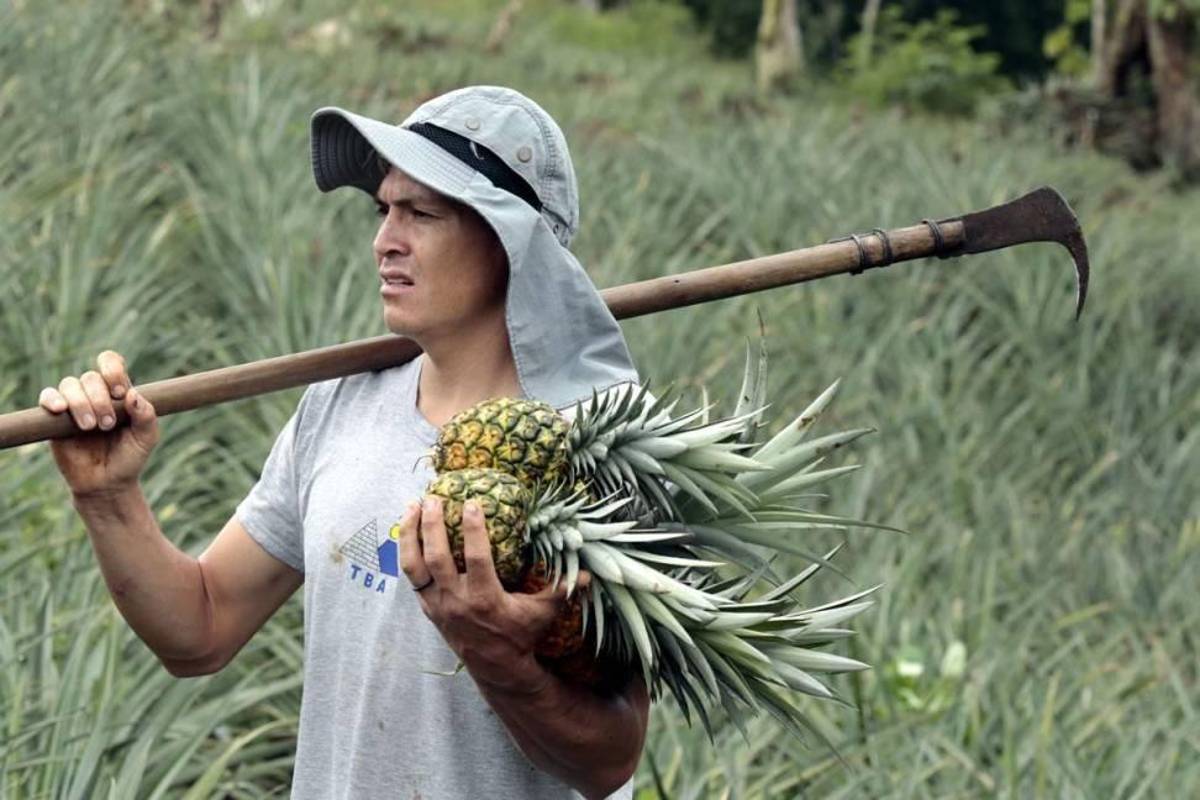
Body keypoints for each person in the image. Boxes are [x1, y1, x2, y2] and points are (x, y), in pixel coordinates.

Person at [39, 85, 650, 799]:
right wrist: (108, 496)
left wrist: (498, 653)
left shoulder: (603, 447)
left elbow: (609, 757)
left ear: (512, 240)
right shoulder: (340, 405)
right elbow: (200, 628)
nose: (385, 239)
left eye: (421, 212)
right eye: (383, 208)